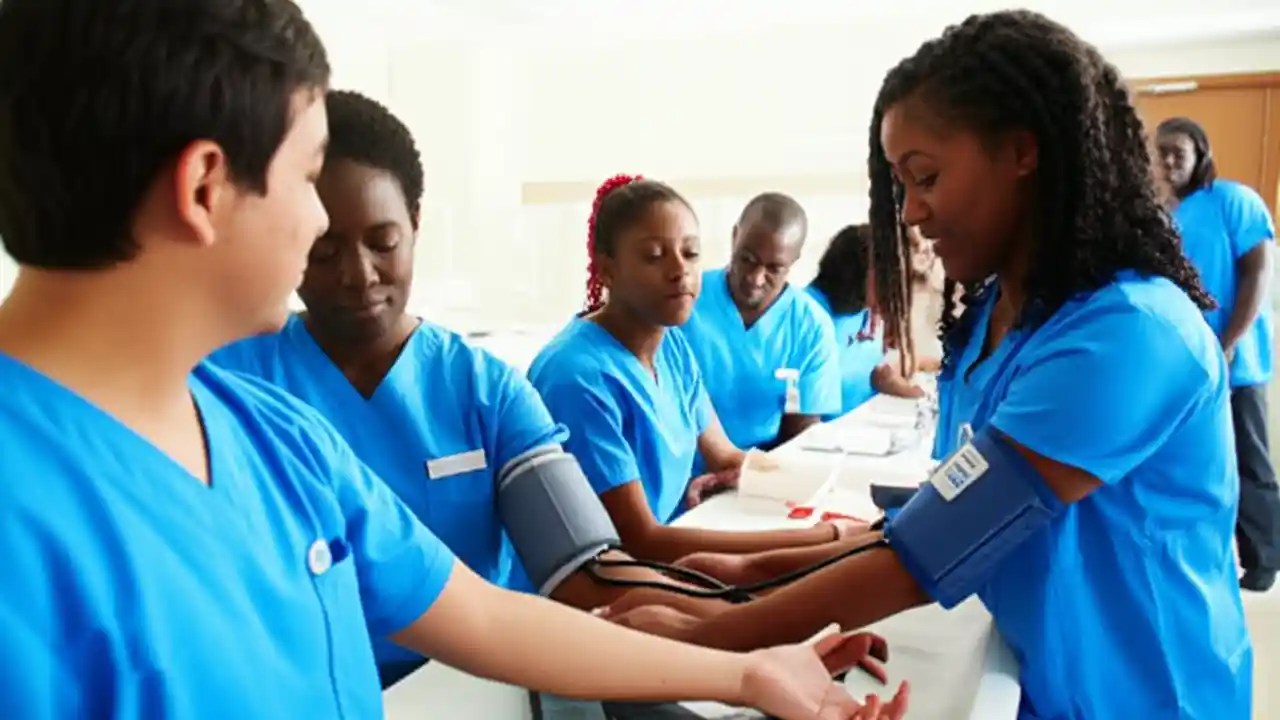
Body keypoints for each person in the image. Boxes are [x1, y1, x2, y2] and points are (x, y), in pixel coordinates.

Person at [0, 2, 916, 719]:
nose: (324, 230)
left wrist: (748, 672)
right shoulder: (31, 515)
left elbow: (482, 613)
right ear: (206, 187)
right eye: (306, 176)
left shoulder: (268, 437)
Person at [601, 11, 1253, 720]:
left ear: (1022, 152)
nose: (909, 212)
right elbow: (930, 519)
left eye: (926, 177)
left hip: (1147, 696)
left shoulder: (1132, 336)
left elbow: (932, 551)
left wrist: (707, 639)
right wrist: (746, 572)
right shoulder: (990, 330)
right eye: (898, 186)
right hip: (1038, 680)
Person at [209, 90, 728, 689]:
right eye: (325, 251)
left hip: (471, 685)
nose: (358, 275)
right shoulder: (232, 384)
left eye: (383, 242)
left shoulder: (483, 390)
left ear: (416, 225)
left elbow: (589, 573)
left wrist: (767, 621)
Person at [527, 176, 867, 564]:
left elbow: (724, 454)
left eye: (690, 254)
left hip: (665, 548)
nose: (679, 271)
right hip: (602, 577)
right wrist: (822, 537)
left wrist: (834, 494)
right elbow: (641, 540)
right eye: (655, 256)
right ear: (607, 269)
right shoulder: (577, 377)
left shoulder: (669, 344)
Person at [1156, 116, 1280, 592]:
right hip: (1181, 366)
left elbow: (1257, 273)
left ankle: (1264, 558)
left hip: (1235, 362)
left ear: (1199, 154)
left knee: (1249, 459)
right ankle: (1198, 554)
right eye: (1161, 151)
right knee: (1195, 463)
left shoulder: (1234, 200)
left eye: (1178, 152)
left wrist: (1227, 342)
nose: (1168, 161)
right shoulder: (1162, 214)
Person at [681, 193, 841, 454]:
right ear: (734, 237)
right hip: (681, 470)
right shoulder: (686, 299)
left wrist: (754, 476)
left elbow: (800, 435)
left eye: (774, 268)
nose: (755, 278)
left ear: (794, 261)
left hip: (760, 470)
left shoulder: (811, 327)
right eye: (747, 259)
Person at [806, 224, 926, 413]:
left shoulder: (868, 313)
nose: (897, 290)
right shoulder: (806, 316)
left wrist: (902, 388)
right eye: (888, 278)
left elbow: (883, 370)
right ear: (855, 273)